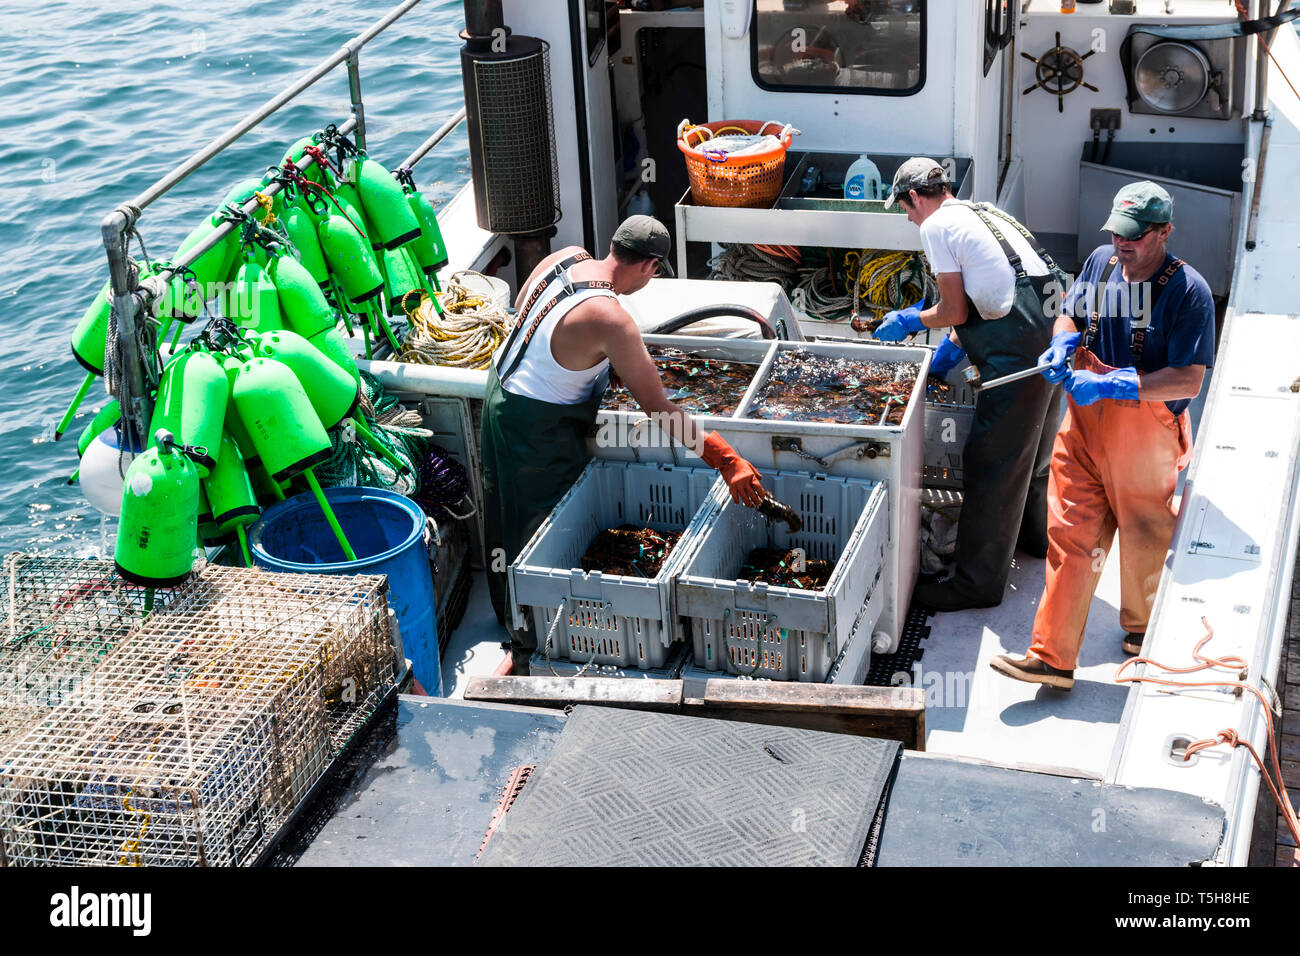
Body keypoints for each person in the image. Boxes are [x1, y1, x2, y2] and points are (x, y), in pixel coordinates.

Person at [480, 215, 767, 674]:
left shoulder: (566, 257)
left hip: (498, 391)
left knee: (501, 513)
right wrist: (726, 459)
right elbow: (658, 407)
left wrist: (590, 361)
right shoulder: (612, 317)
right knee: (537, 532)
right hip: (534, 425)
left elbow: (527, 314)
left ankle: (510, 619)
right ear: (650, 266)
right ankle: (529, 646)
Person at [992, 181, 1215, 690]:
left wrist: (1118, 382)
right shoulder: (1099, 262)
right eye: (1118, 232)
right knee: (1070, 531)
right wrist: (1062, 342)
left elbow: (1189, 379)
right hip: (1085, 424)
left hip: (1146, 430)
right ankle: (1052, 657)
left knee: (1143, 531)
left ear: (1164, 232)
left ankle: (1142, 631)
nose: (1123, 243)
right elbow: (1070, 311)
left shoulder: (1189, 292)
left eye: (1135, 236)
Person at [874, 157, 1067, 612]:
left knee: (993, 459)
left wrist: (909, 320)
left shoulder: (935, 227)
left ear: (916, 197)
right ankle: (1034, 540)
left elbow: (955, 310)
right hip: (1055, 329)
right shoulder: (988, 212)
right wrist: (951, 351)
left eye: (905, 208)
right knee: (1035, 453)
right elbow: (998, 290)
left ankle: (976, 583)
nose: (908, 217)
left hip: (1018, 347)